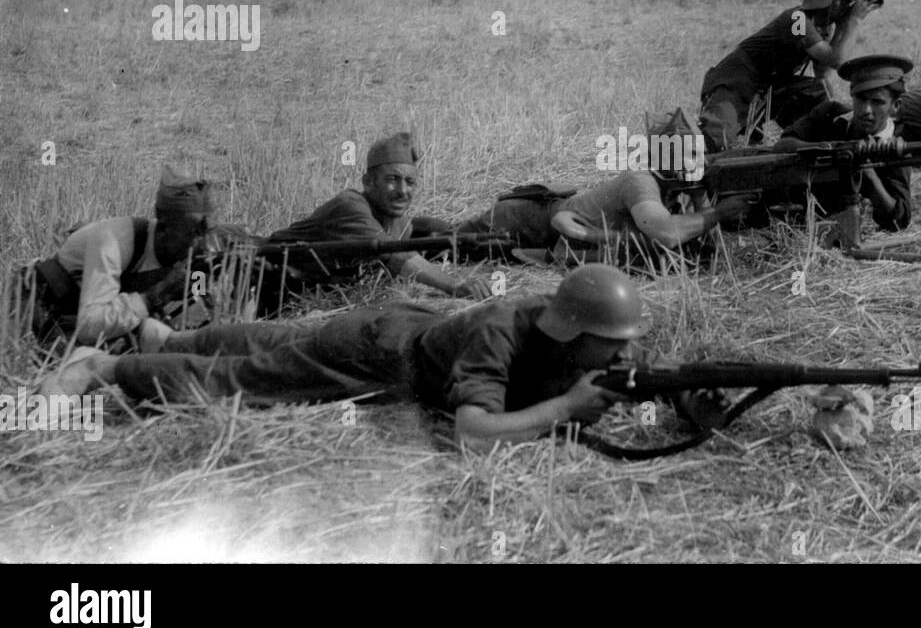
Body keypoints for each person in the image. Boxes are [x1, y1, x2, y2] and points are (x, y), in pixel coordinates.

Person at [40, 264, 650, 451]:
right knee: (241, 382)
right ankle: (101, 367)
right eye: (615, 340)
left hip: (395, 328)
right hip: (378, 358)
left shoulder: (564, 316)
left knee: (275, 343)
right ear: (575, 328)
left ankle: (166, 341)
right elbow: (473, 431)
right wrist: (566, 407)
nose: (626, 351)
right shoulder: (499, 332)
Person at [451, 115, 754, 265]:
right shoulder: (641, 181)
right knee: (450, 244)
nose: (701, 162)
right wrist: (717, 212)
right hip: (526, 218)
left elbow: (710, 250)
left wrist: (702, 196)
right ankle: (410, 232)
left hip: (553, 237)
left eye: (701, 155)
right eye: (692, 155)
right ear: (668, 159)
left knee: (478, 254)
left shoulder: (677, 187)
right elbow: (665, 233)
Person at [254, 132, 489, 312]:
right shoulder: (350, 206)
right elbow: (398, 258)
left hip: (293, 299)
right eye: (392, 180)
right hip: (256, 279)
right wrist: (455, 286)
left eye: (410, 182)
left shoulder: (400, 225)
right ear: (368, 182)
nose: (402, 191)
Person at [15, 165, 214, 350]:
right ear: (163, 228)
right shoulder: (113, 241)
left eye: (206, 230)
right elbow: (89, 326)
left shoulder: (190, 245)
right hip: (36, 307)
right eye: (193, 232)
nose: (202, 241)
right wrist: (155, 296)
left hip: (78, 314)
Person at [698, 0, 883, 152]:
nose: (845, 6)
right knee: (715, 141)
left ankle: (809, 141)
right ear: (828, 3)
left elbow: (823, 72)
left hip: (770, 86)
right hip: (737, 81)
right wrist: (854, 20)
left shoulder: (822, 26)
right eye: (841, 1)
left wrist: (841, 26)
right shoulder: (797, 19)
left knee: (816, 93)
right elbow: (837, 60)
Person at [771, 54, 913, 234]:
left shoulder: (895, 149)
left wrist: (869, 176)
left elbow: (898, 221)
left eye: (877, 102)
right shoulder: (830, 114)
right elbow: (783, 145)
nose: (866, 110)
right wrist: (828, 151)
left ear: (896, 106)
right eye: (860, 99)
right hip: (784, 209)